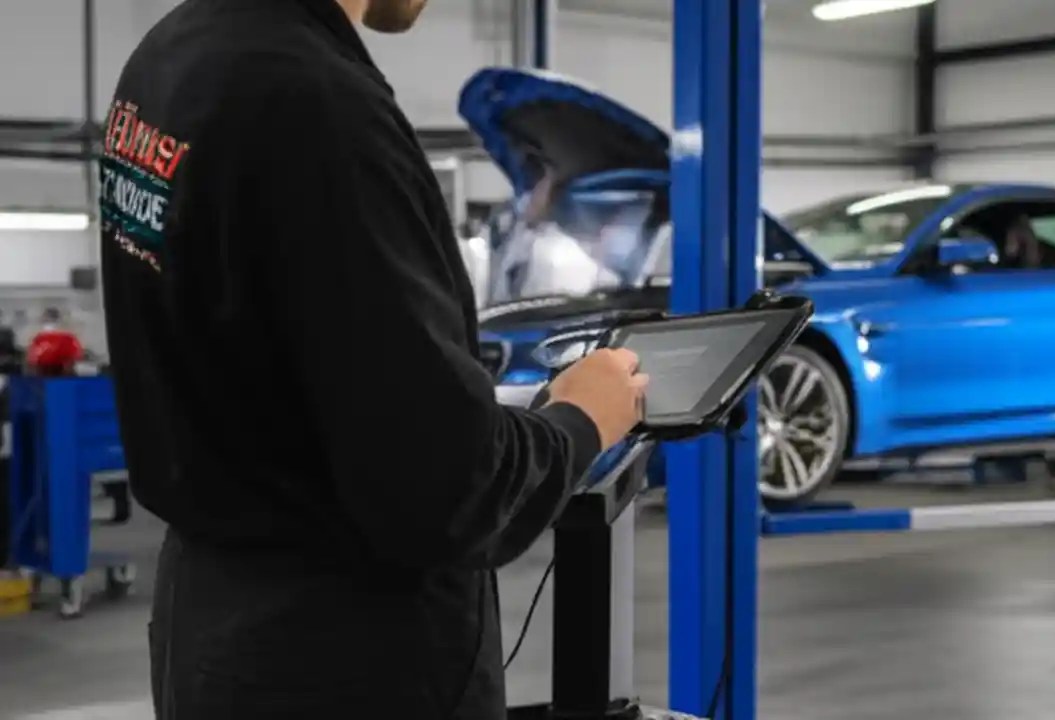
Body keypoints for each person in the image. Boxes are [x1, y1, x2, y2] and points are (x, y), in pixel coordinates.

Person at [99, 1, 648, 718]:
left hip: (212, 633)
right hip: (340, 661)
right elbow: (447, 490)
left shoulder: (172, 54)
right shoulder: (319, 107)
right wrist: (581, 419)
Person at [24, 308, 84, 377]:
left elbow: (31, 363)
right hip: (49, 376)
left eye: (49, 319)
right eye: (47, 319)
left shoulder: (68, 339)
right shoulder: (38, 340)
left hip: (58, 376)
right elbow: (31, 363)